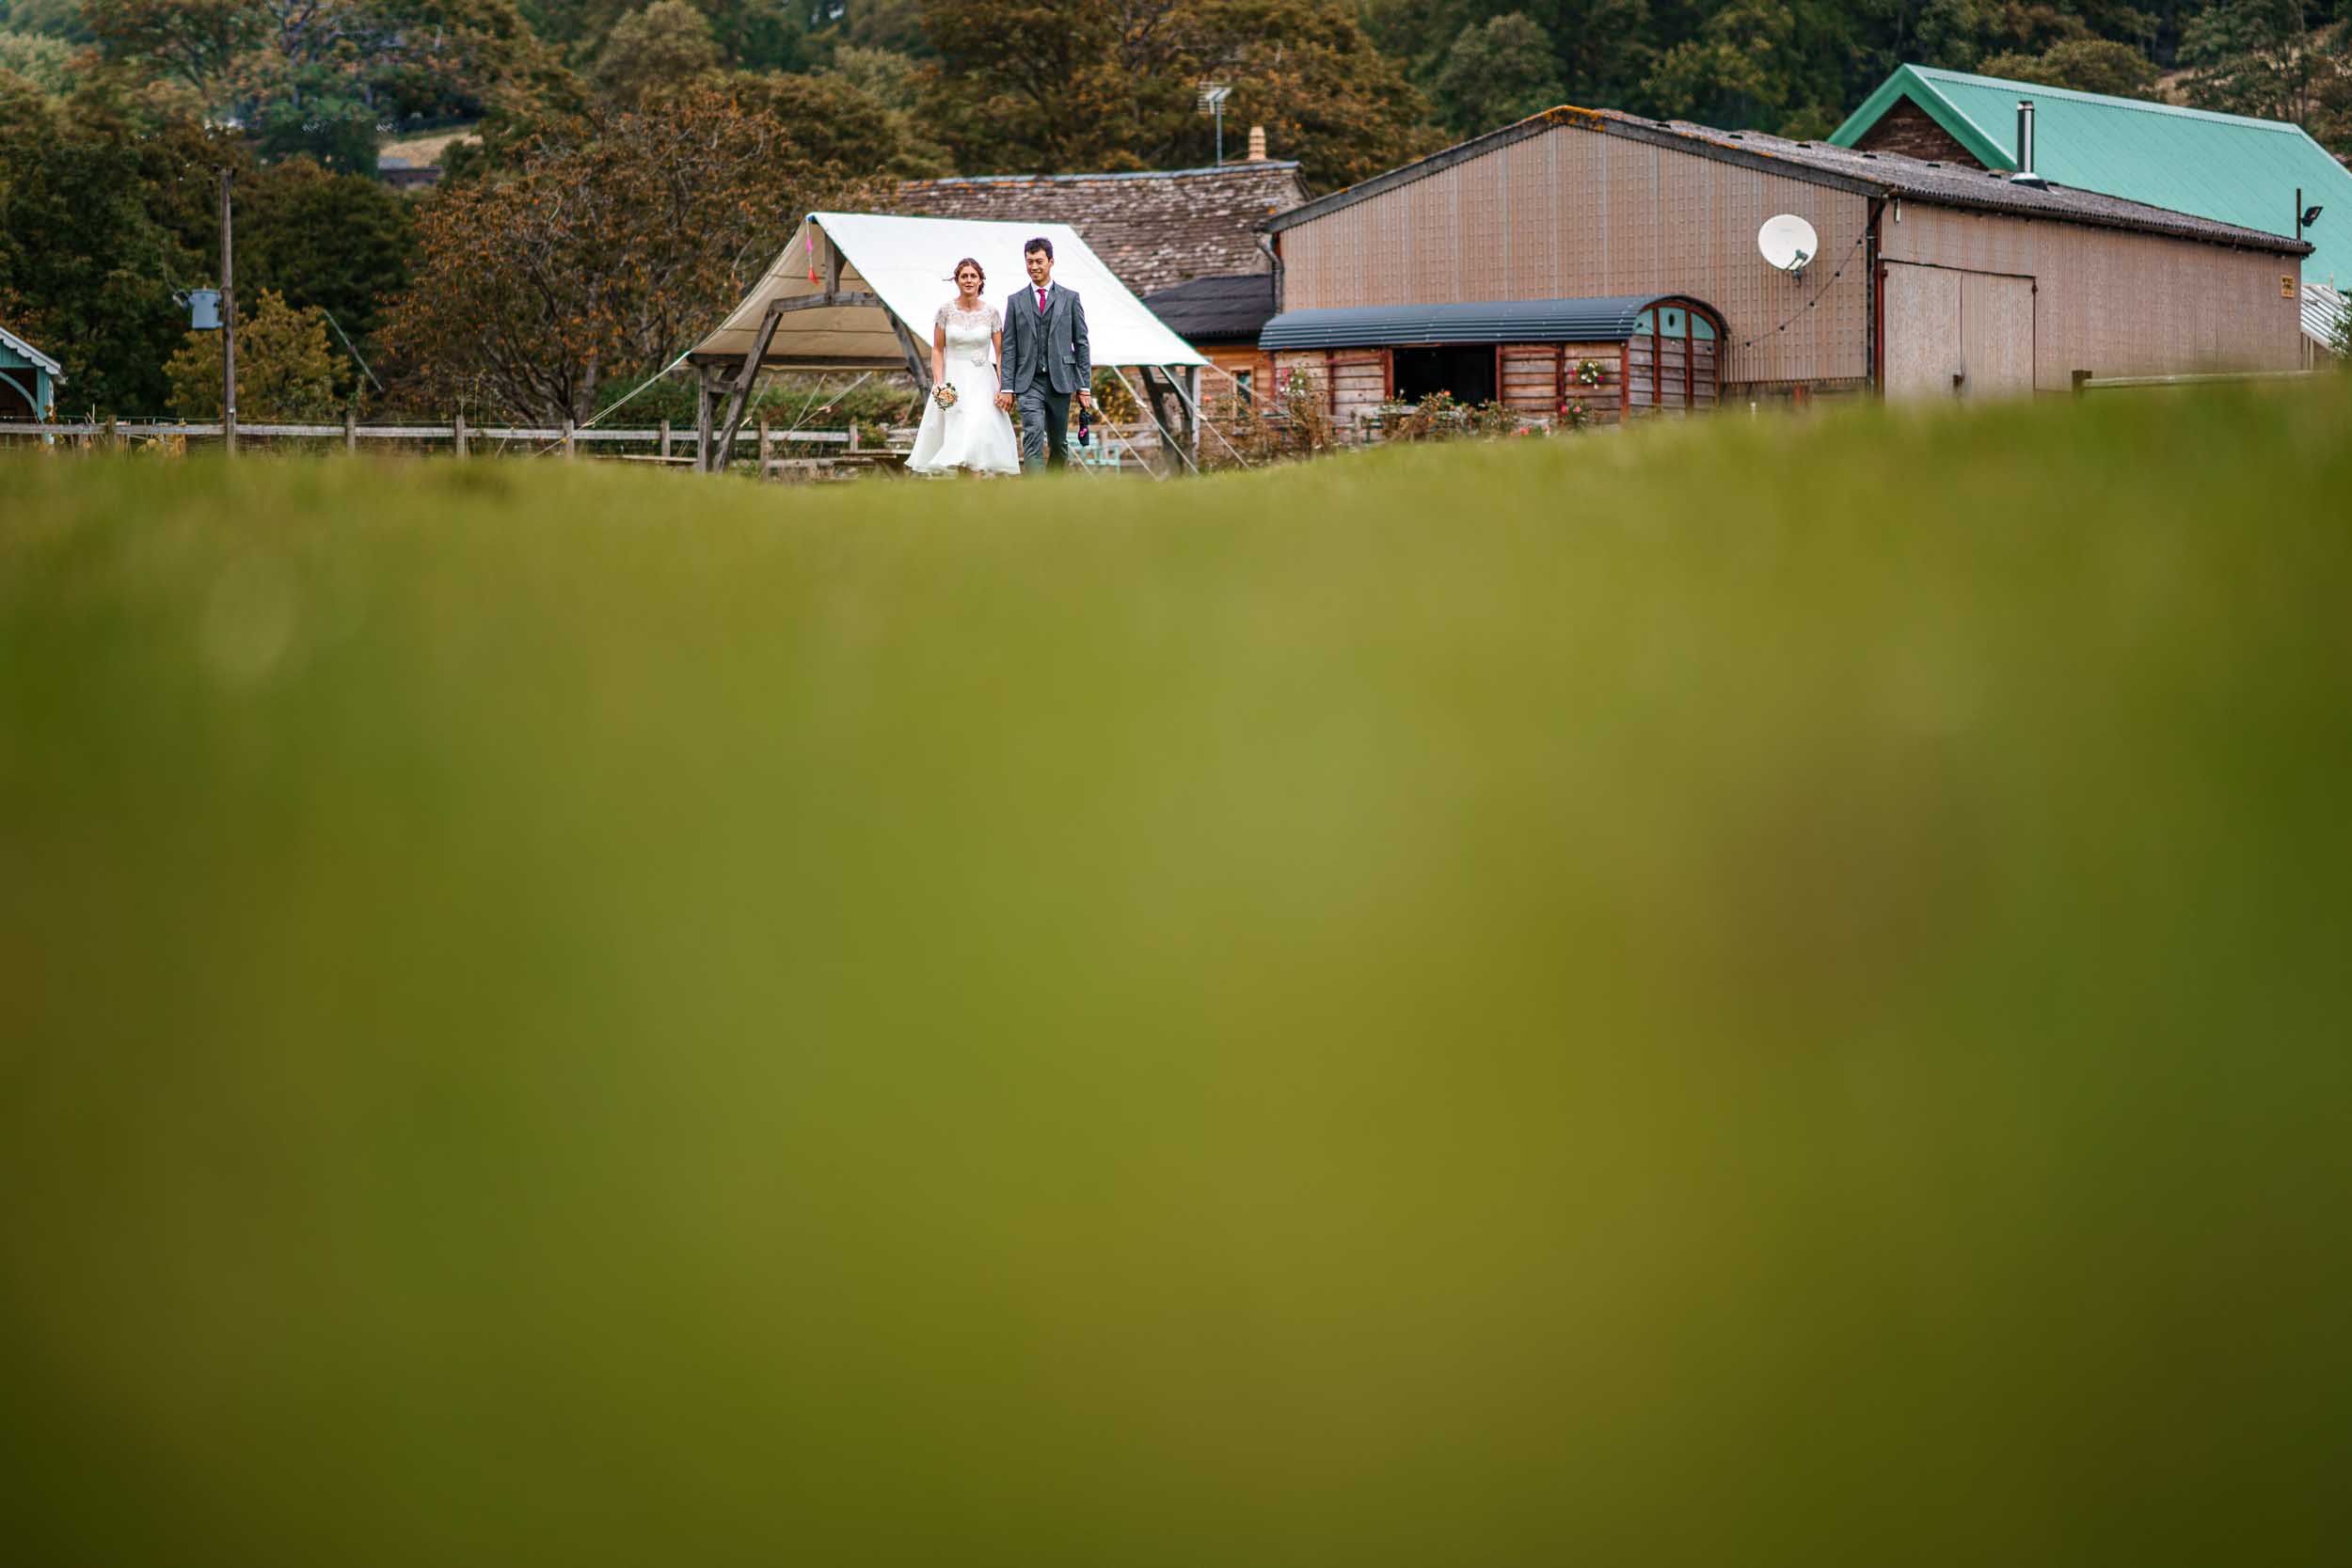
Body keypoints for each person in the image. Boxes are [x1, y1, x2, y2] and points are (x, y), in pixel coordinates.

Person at [907, 259, 1021, 477]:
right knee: (958, 435)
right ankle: (965, 489)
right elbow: (937, 349)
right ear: (957, 280)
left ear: (980, 281)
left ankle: (974, 488)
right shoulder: (945, 311)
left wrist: (1004, 386)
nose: (969, 280)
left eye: (973, 276)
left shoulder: (991, 313)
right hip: (953, 380)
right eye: (964, 276)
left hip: (982, 381)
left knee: (977, 432)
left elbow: (1000, 353)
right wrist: (939, 384)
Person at [995, 236, 1092, 473]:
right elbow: (1009, 347)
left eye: (1039, 261)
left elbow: (1081, 344)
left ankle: (1053, 490)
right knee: (1033, 437)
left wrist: (1084, 386)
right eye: (1029, 262)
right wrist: (1007, 387)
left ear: (1051, 262)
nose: (1034, 267)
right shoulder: (1015, 301)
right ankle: (1035, 490)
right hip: (1028, 382)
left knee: (1059, 444)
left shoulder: (1070, 298)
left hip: (1061, 380)